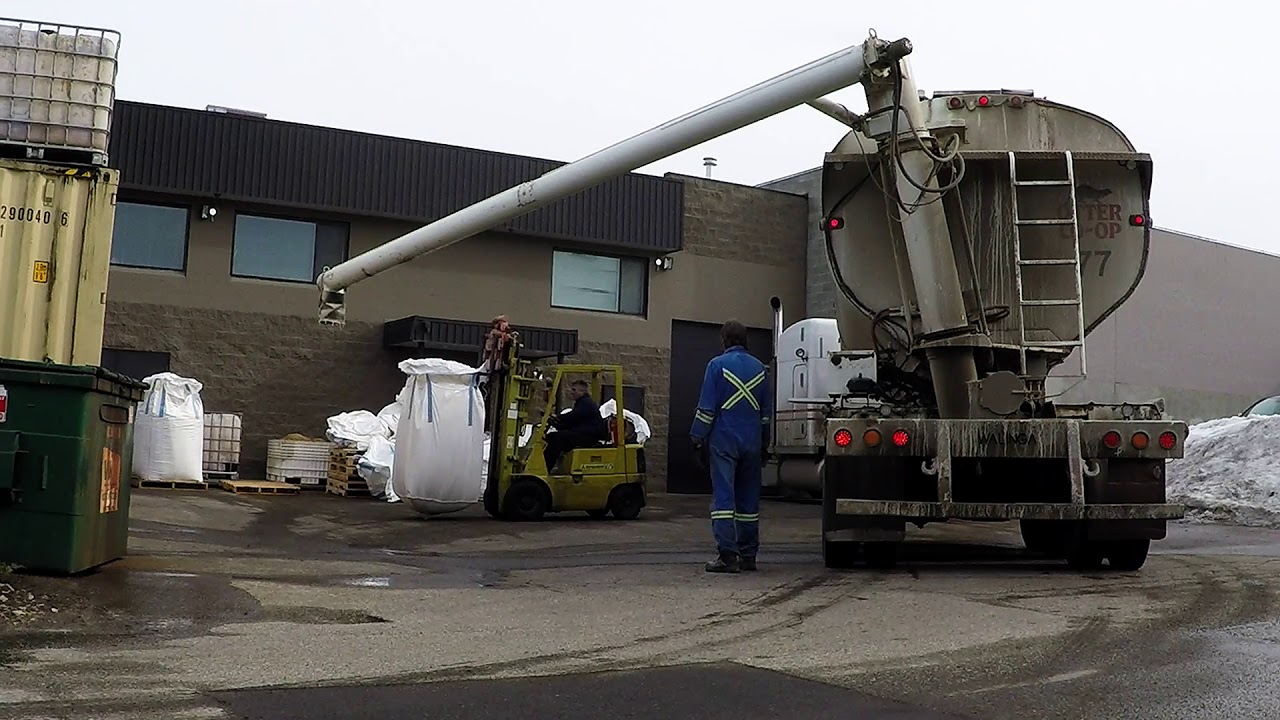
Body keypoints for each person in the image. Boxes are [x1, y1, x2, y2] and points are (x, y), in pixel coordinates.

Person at [690, 320, 772, 574]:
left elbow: (707, 409)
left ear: (724, 339)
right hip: (752, 440)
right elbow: (765, 414)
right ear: (745, 340)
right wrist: (765, 443)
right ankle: (748, 555)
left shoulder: (716, 365)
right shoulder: (760, 369)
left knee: (724, 498)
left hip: (724, 440)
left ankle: (727, 555)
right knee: (748, 499)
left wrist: (697, 438)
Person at [543, 379, 610, 471]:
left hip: (587, 436)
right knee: (553, 436)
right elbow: (573, 421)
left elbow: (573, 416)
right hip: (584, 433)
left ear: (582, 391)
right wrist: (558, 424)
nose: (572, 392)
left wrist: (559, 417)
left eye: (574, 390)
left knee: (555, 438)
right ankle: (554, 466)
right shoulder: (582, 403)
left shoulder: (586, 403)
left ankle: (545, 467)